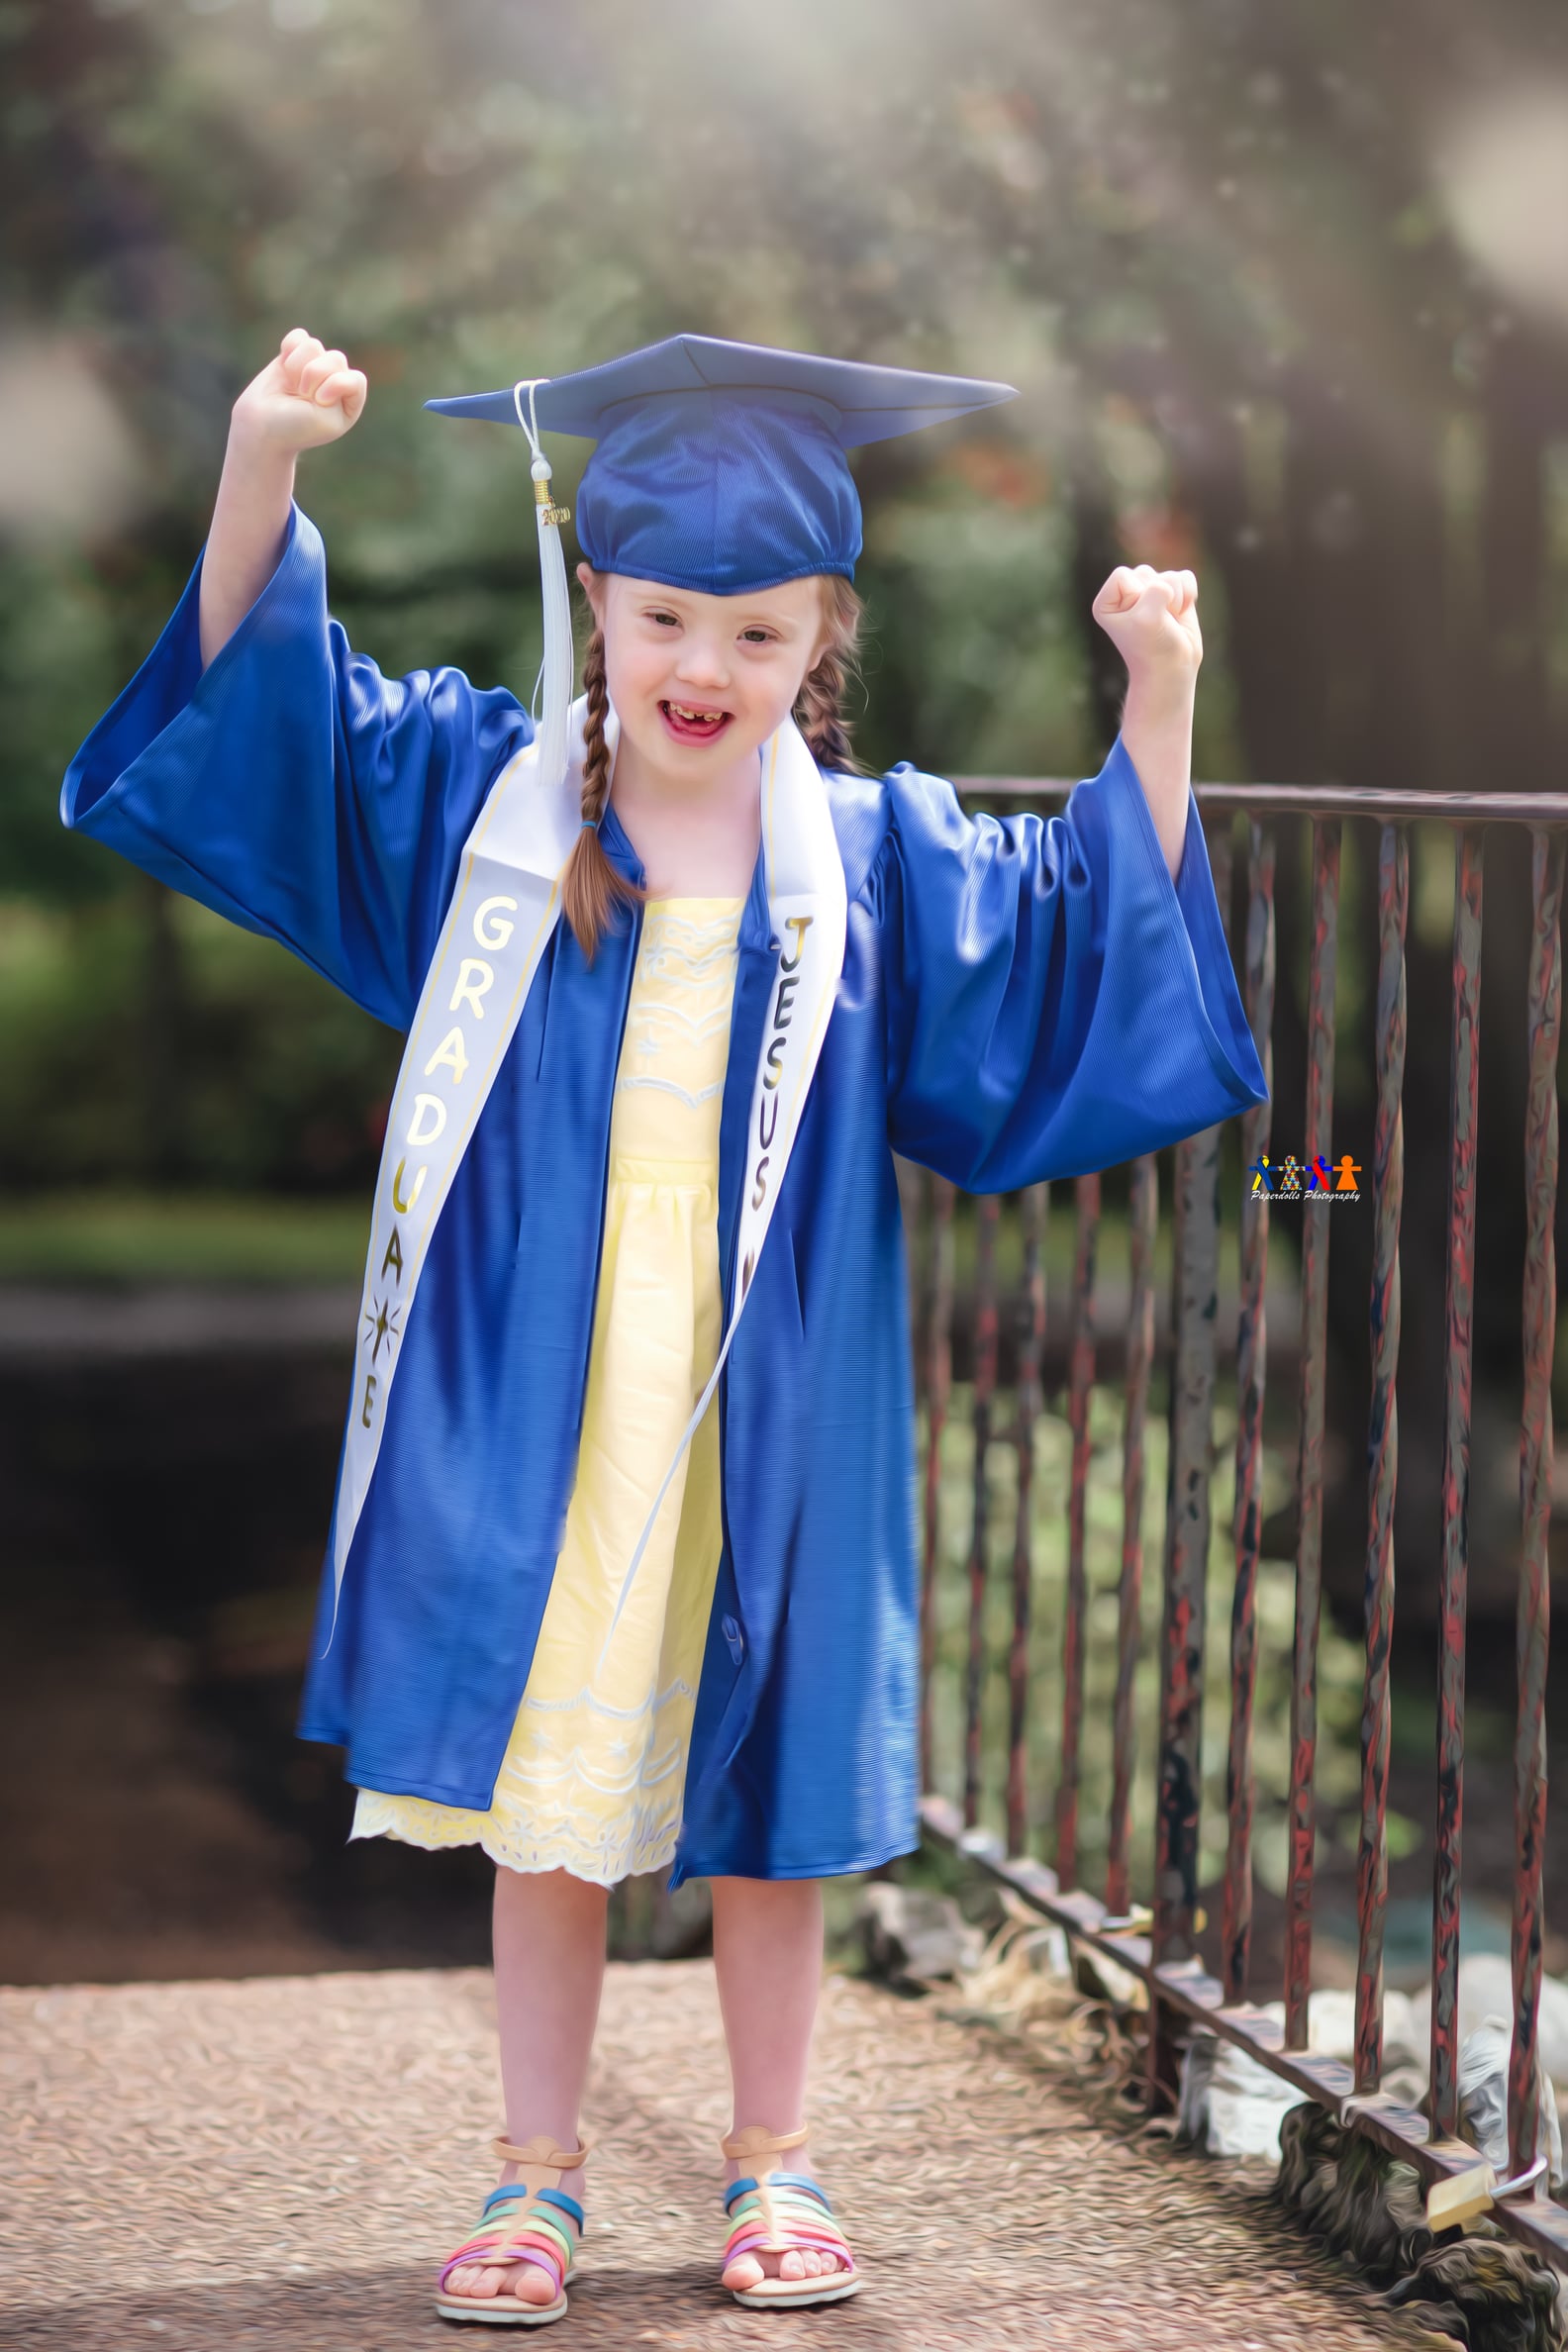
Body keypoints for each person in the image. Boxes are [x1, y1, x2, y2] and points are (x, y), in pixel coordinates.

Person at [62, 325, 1267, 2324]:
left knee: (767, 1789)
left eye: (761, 634)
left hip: (766, 1395)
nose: (704, 667)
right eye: (663, 617)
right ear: (594, 607)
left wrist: (1161, 701)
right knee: (556, 1788)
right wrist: (262, 465)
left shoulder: (874, 865)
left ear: (824, 649)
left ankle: (773, 2166)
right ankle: (535, 2181)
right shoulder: (492, 818)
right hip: (553, 1383)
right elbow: (279, 718)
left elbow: (1079, 951)